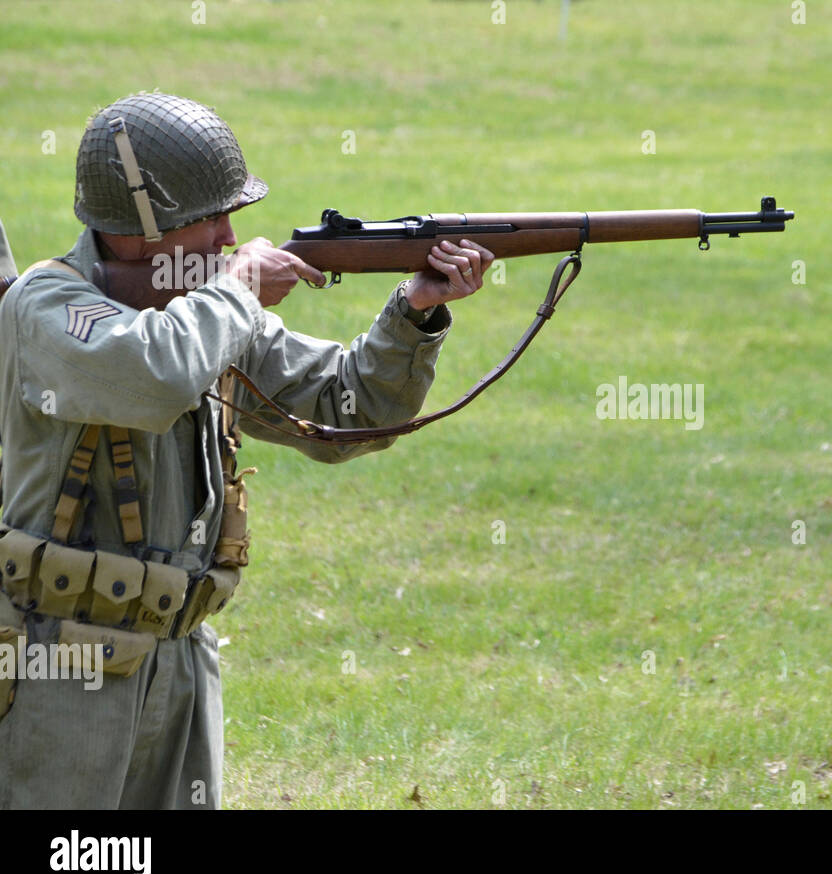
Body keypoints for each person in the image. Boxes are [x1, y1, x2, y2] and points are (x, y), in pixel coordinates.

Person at [0, 92, 493, 809]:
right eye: (212, 215)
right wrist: (237, 296)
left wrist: (413, 316)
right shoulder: (49, 306)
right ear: (143, 230)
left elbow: (349, 410)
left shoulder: (207, 308)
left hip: (180, 659)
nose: (232, 234)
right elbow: (152, 374)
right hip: (63, 669)